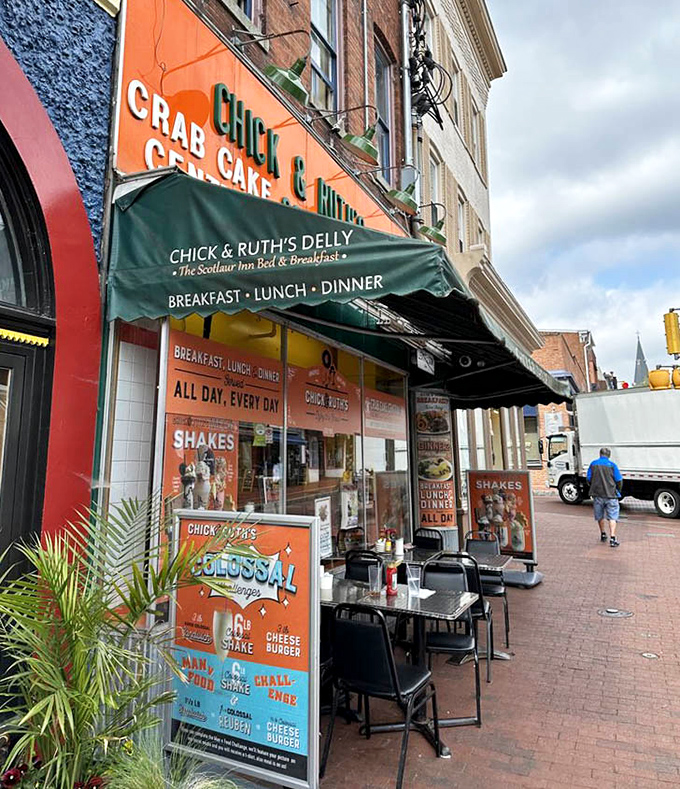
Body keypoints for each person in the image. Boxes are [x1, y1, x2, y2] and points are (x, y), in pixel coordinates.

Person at [587, 447, 623, 547]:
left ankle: (603, 534)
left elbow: (588, 478)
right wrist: (618, 490)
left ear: (600, 454)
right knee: (612, 517)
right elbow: (619, 480)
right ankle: (612, 538)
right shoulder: (612, 465)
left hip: (598, 494)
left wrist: (593, 486)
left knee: (600, 516)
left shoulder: (593, 464)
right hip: (611, 495)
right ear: (609, 455)